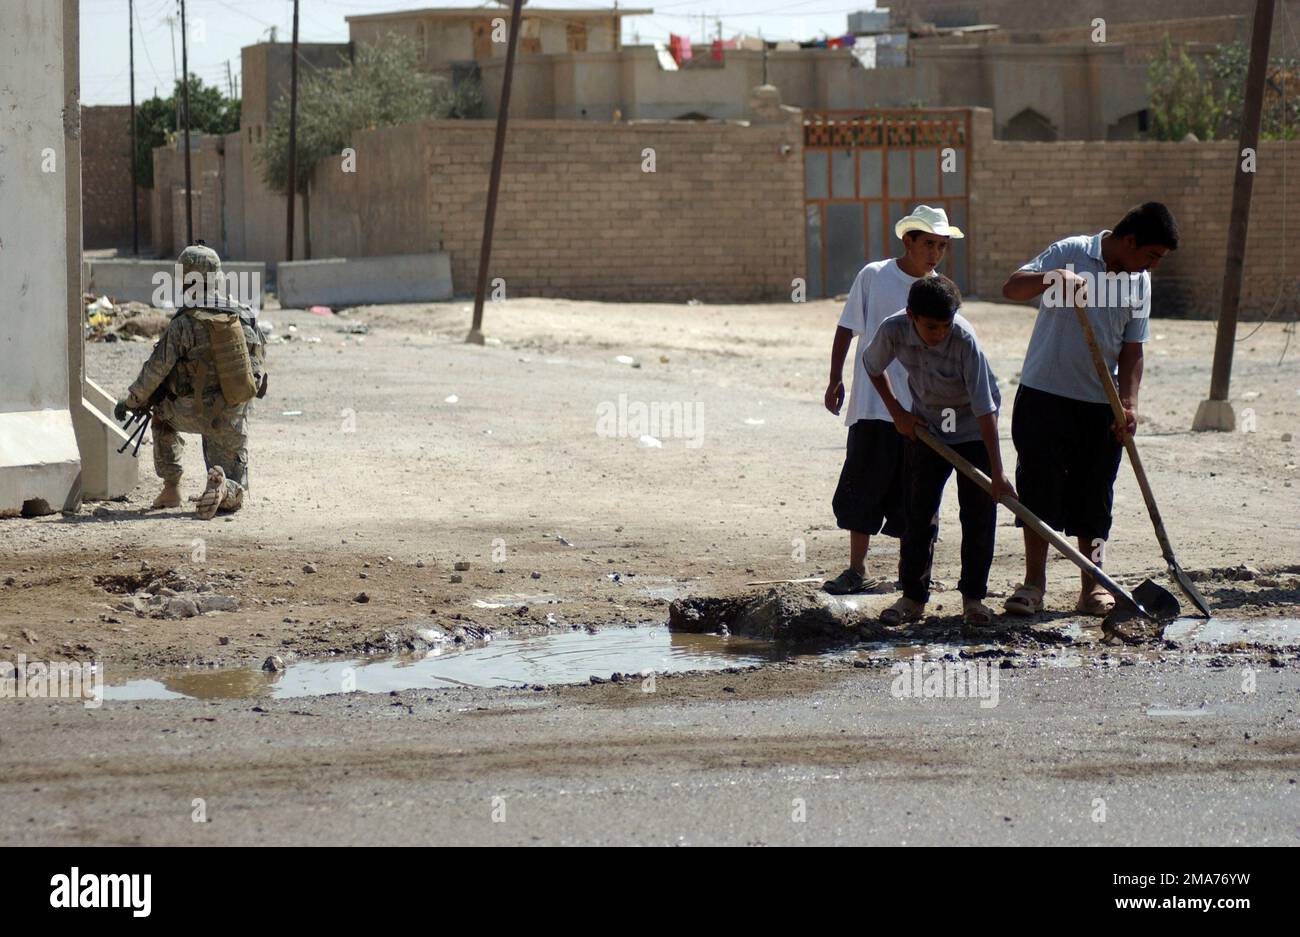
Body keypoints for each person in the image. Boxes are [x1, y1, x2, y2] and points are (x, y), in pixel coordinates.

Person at [1000, 202, 1178, 616]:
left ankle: (1094, 586)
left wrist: (1129, 405)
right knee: (1037, 492)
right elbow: (1011, 288)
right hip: (1044, 395)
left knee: (1095, 498)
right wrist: (1051, 278)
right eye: (1150, 255)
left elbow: (1133, 350)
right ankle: (1033, 584)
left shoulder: (1140, 282)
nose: (1151, 265)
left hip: (1102, 406)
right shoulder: (1073, 252)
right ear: (1129, 241)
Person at [821, 205, 961, 595]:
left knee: (914, 494)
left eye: (941, 246)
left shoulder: (939, 292)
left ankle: (911, 575)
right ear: (908, 241)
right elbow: (847, 329)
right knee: (861, 485)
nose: (934, 253)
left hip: (919, 410)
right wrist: (834, 379)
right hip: (871, 404)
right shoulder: (874, 276)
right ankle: (856, 568)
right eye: (928, 243)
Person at [863, 275, 1012, 627]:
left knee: (977, 516)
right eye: (932, 327)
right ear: (912, 316)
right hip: (926, 428)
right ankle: (912, 598)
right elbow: (872, 367)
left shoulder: (964, 339)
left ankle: (974, 600)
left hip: (973, 429)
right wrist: (898, 413)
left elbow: (984, 409)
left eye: (946, 325)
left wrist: (997, 471)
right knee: (918, 515)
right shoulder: (893, 330)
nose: (940, 334)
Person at [115, 244, 267, 520]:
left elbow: (155, 371)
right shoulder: (245, 314)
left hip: (188, 412)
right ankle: (225, 489)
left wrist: (132, 400)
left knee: (159, 412)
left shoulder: (183, 322)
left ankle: (171, 488)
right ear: (218, 277)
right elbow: (257, 367)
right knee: (237, 485)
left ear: (185, 280)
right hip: (231, 415)